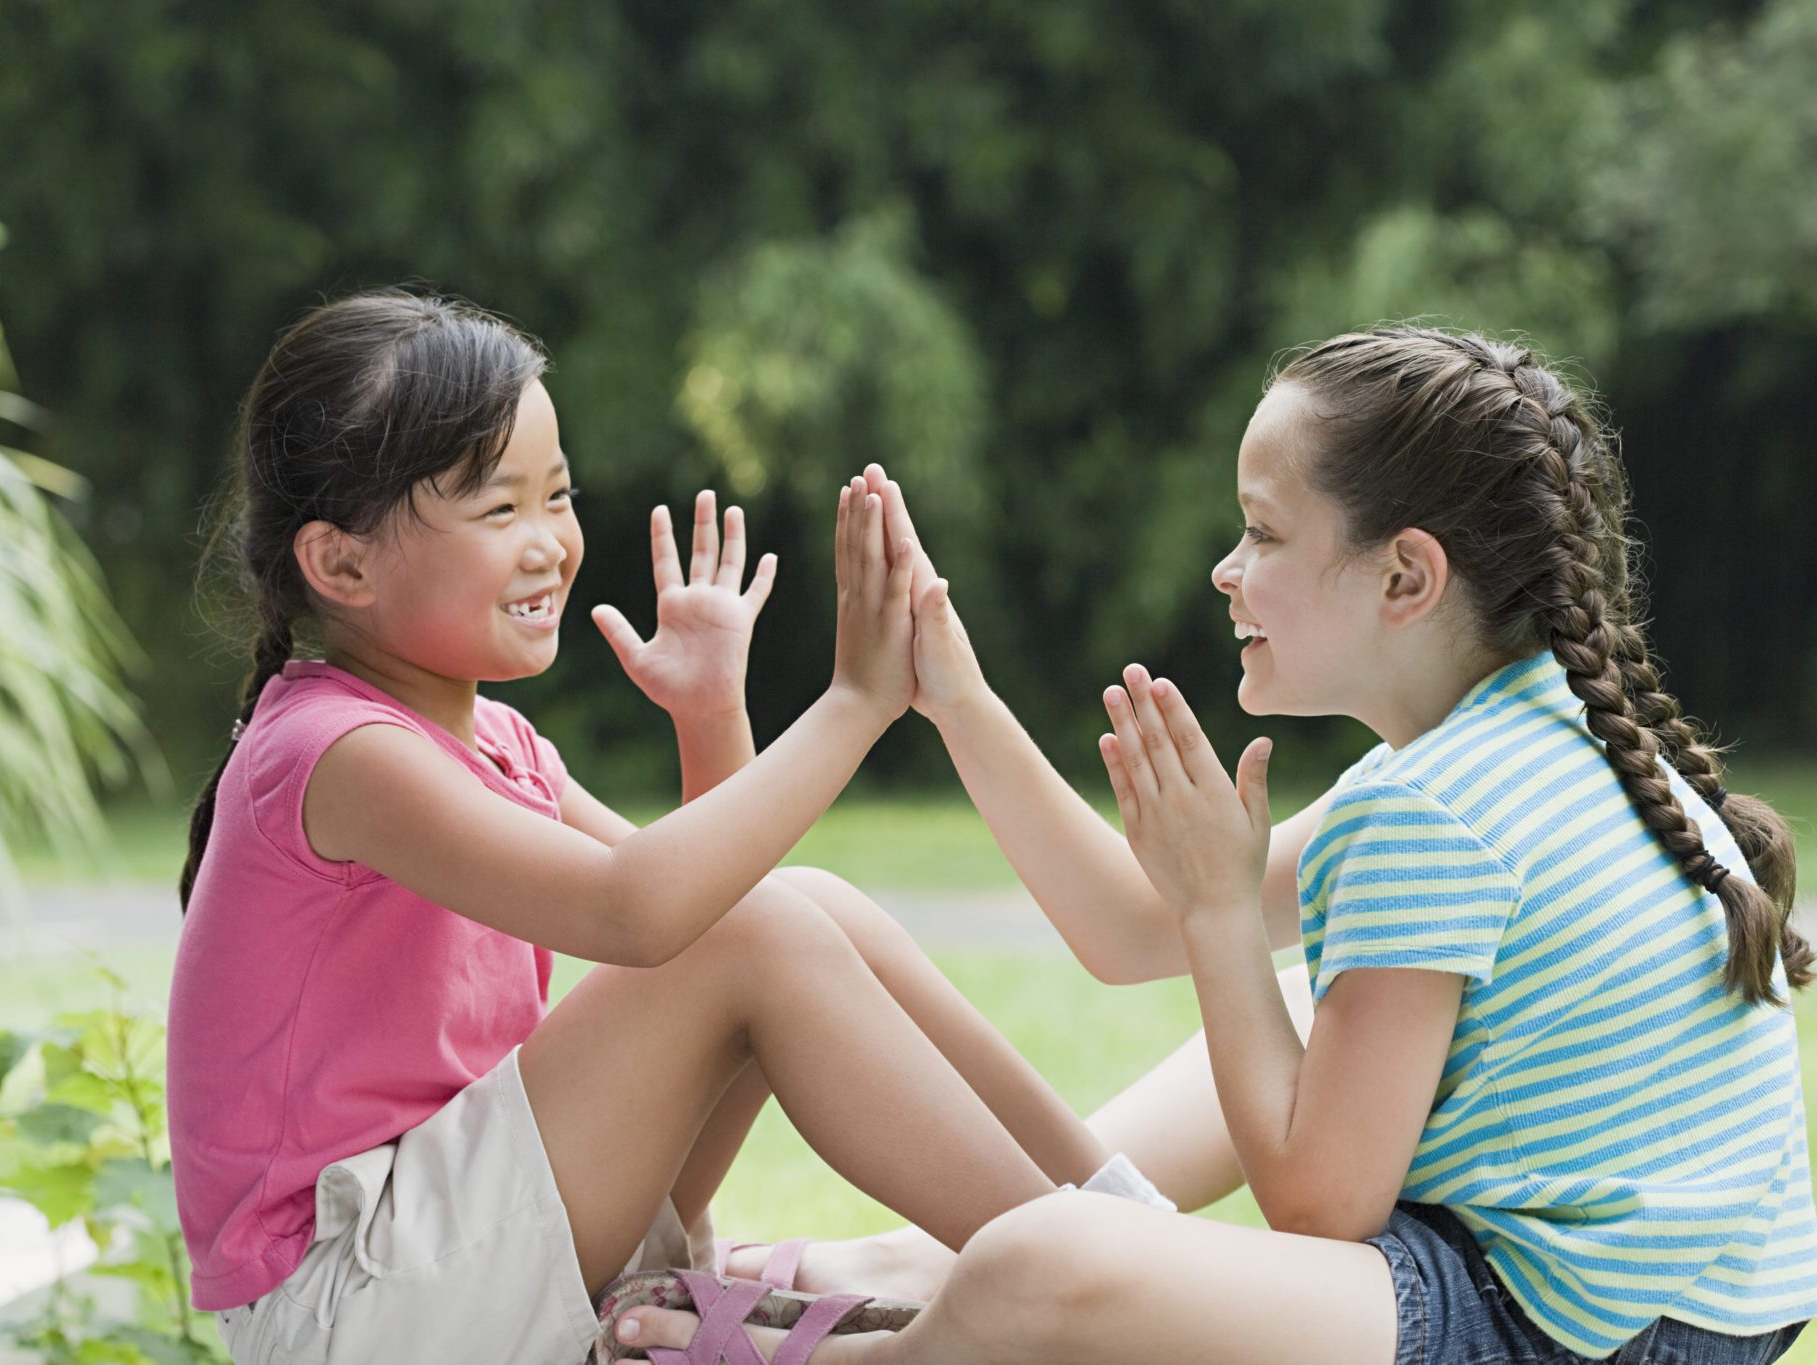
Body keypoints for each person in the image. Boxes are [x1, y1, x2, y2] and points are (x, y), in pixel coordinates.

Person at [609, 327, 1817, 1363]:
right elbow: (1123, 932)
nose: (1223, 569)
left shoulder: (1431, 813)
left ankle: (850, 1337)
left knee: (1047, 1260)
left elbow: (1317, 1206)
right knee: (853, 926)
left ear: (1403, 577)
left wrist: (1212, 911)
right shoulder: (1519, 743)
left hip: (1560, 1329)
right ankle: (939, 1270)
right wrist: (959, 701)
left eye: (1260, 533)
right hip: (1660, 1311)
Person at [165, 289, 1164, 1365]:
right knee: (762, 931)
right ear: (340, 564)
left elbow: (704, 906)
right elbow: (639, 914)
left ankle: (1124, 1229)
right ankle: (1114, 1308)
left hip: (451, 1250)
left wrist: (708, 717)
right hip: (348, 1310)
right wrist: (853, 706)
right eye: (499, 510)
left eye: (557, 496)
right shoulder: (335, 752)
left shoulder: (487, 737)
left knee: (798, 908)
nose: (550, 542)